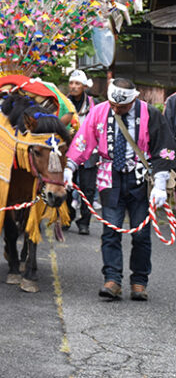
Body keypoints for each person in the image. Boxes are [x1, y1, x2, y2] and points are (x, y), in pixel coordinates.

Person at [66, 77, 176, 301]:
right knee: (111, 231)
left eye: (122, 107)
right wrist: (70, 166)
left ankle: (139, 281)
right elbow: (83, 139)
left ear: (134, 99)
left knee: (141, 234)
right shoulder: (99, 112)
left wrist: (161, 182)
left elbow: (164, 147)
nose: (116, 109)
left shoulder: (150, 114)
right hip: (109, 178)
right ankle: (112, 279)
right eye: (113, 105)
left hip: (140, 179)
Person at [65, 69, 98, 235]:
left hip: (89, 152)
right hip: (68, 152)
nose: (73, 86)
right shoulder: (63, 103)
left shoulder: (94, 104)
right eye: (71, 83)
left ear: (84, 86)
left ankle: (84, 221)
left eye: (77, 83)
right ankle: (67, 215)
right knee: (66, 187)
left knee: (88, 189)